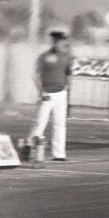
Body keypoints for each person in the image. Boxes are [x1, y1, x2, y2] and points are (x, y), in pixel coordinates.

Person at [29, 29, 74, 162]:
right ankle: (31, 150)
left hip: (61, 93)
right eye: (57, 41)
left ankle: (59, 154)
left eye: (62, 41)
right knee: (40, 123)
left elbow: (69, 75)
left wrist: (67, 93)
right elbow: (36, 75)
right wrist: (41, 92)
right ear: (53, 42)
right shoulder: (44, 57)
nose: (60, 44)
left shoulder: (67, 57)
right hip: (47, 94)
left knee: (60, 124)